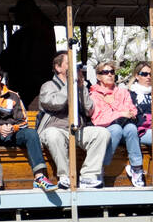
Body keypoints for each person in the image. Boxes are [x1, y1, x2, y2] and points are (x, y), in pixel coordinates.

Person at [37, 51, 110, 189]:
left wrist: (81, 87)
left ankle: (88, 176)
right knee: (53, 134)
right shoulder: (48, 86)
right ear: (58, 68)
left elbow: (89, 110)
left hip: (77, 130)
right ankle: (66, 176)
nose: (73, 68)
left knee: (102, 134)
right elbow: (54, 103)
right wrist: (70, 84)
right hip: (55, 130)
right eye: (68, 64)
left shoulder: (79, 85)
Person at [0, 65, 58, 193]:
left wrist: (12, 128)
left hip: (12, 134)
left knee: (31, 133)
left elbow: (23, 121)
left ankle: (40, 177)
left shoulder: (13, 96)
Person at [90, 60, 144, 187]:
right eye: (105, 72)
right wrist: (120, 113)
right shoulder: (94, 95)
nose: (110, 74)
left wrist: (114, 104)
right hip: (108, 133)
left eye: (112, 72)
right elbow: (98, 119)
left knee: (131, 127)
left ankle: (136, 168)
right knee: (116, 129)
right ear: (98, 76)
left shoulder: (123, 92)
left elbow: (132, 112)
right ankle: (99, 167)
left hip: (125, 131)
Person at [0, 0, 58, 107]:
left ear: (25, 13)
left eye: (17, 13)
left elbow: (7, 60)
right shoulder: (46, 29)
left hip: (26, 88)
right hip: (42, 84)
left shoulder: (22, 36)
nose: (14, 17)